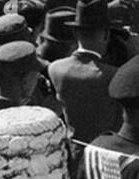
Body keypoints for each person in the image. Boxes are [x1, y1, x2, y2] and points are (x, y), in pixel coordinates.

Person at [48, 10, 123, 144]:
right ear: (106, 35)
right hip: (105, 152)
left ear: (75, 33)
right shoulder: (113, 74)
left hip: (72, 148)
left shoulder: (55, 68)